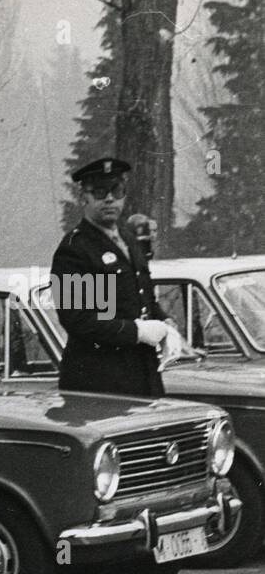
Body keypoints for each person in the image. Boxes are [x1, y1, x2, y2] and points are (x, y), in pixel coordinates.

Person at [51, 157, 177, 397]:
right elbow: (77, 320)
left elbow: (143, 299)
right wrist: (137, 331)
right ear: (83, 198)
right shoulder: (74, 249)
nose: (109, 199)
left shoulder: (129, 240)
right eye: (99, 192)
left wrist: (165, 321)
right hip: (99, 381)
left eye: (116, 190)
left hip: (143, 374)